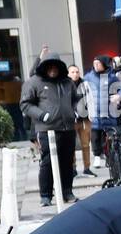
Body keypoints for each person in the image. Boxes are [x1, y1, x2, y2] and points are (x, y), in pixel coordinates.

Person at [21, 52, 79, 207]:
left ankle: (67, 192)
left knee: (67, 162)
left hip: (68, 128)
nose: (53, 70)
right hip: (47, 129)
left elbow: (76, 100)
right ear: (44, 68)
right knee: (47, 162)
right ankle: (46, 195)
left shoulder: (67, 82)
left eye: (55, 67)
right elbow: (25, 104)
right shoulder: (34, 82)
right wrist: (41, 115)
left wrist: (75, 112)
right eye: (49, 67)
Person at [83, 55, 119, 171]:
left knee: (108, 136)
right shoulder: (89, 77)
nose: (96, 65)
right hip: (94, 112)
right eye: (94, 63)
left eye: (98, 63)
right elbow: (81, 89)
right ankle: (97, 156)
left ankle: (109, 156)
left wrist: (118, 96)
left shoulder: (112, 77)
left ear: (104, 64)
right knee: (95, 135)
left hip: (108, 111)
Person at [68, 64, 94, 178]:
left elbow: (90, 99)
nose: (75, 74)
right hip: (71, 119)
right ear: (68, 74)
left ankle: (87, 168)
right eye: (72, 72)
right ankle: (73, 168)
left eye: (77, 72)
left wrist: (91, 115)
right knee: (71, 145)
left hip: (85, 118)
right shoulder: (65, 85)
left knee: (86, 144)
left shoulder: (85, 84)